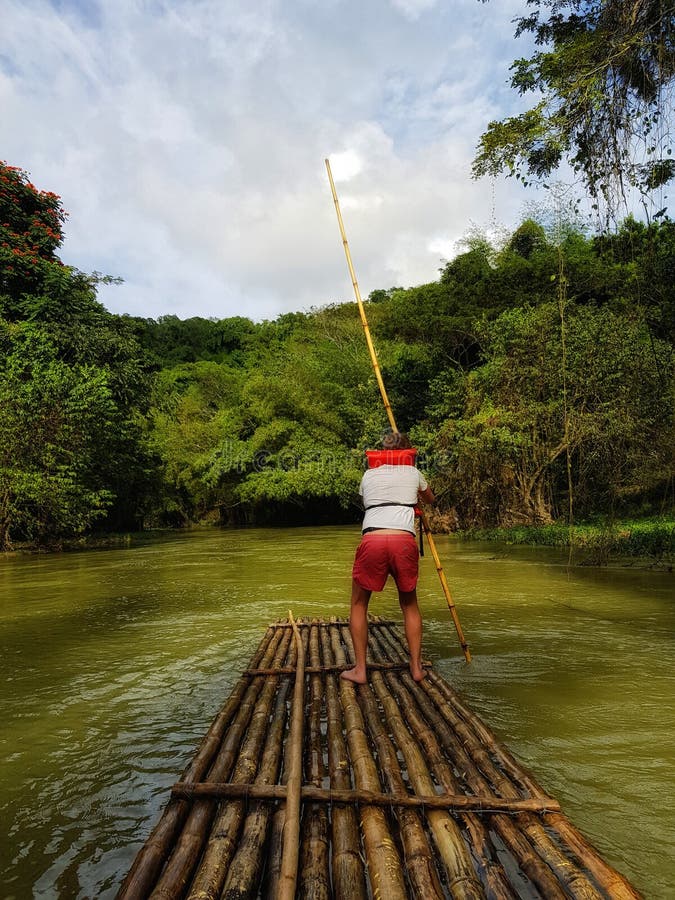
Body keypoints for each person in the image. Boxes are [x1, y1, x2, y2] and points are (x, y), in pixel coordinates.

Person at [341, 431, 435, 684]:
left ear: (382, 452)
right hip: (403, 541)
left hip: (373, 539)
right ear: (407, 452)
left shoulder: (369, 475)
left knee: (359, 604)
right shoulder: (414, 473)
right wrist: (416, 499)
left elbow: (368, 500)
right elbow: (430, 499)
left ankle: (360, 670)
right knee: (410, 604)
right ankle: (416, 668)